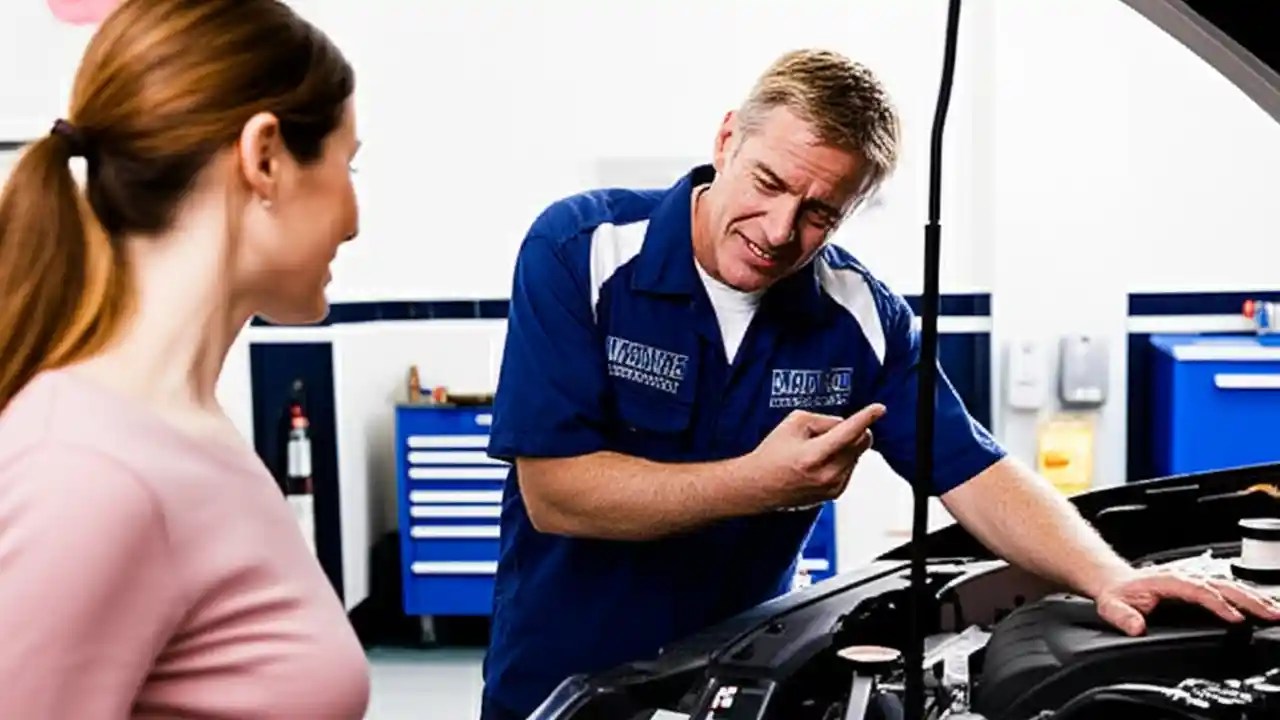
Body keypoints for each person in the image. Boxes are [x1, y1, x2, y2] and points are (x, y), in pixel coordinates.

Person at [481, 48, 1280, 718]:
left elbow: (975, 472)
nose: (779, 231)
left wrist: (1113, 575)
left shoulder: (858, 315)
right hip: (561, 683)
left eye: (823, 211)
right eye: (767, 183)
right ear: (727, 139)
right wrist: (756, 486)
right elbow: (558, 493)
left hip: (736, 683)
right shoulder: (581, 251)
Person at [0, 1, 368, 717]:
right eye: (349, 165)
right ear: (264, 157)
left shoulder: (185, 435)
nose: (356, 219)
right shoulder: (89, 472)